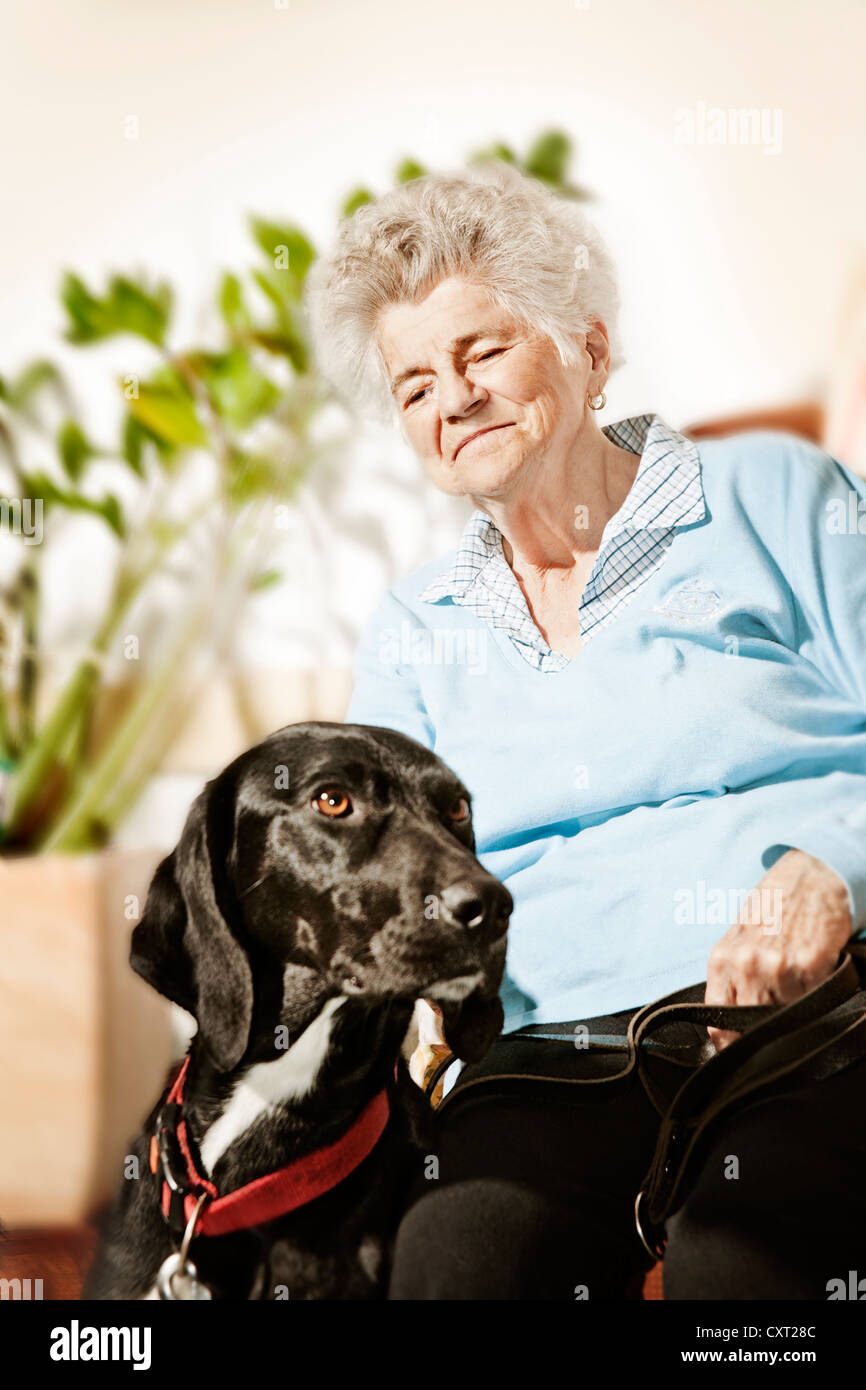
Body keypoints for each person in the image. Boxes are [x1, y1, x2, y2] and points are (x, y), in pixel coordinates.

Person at [303, 160, 866, 1299]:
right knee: (457, 1261)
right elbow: (381, 884)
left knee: (743, 1265)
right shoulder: (417, 625)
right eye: (413, 386)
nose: (451, 400)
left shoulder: (773, 496)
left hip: (794, 1020)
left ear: (589, 349)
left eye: (481, 353)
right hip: (546, 1054)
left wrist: (832, 866)